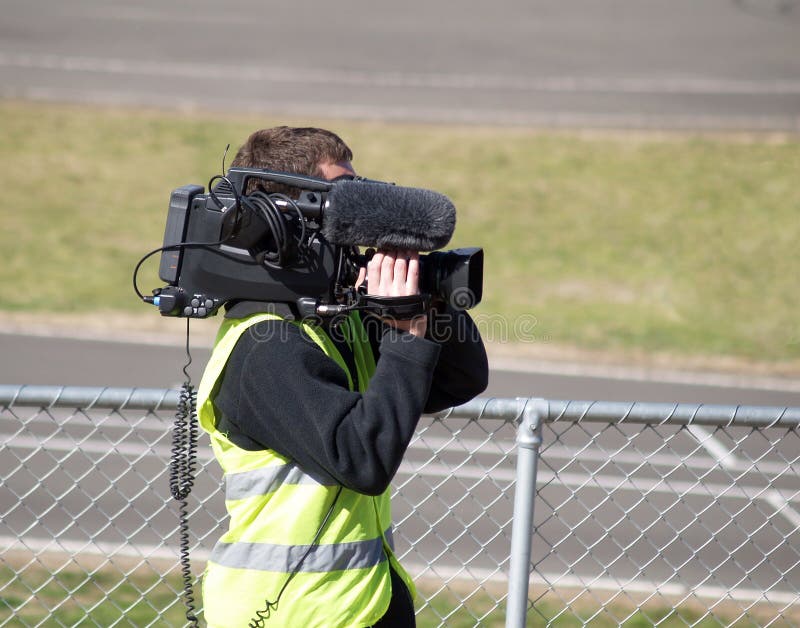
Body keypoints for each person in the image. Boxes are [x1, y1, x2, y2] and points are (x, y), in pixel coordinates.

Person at [196, 126, 488, 627]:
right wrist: (408, 335)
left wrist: (424, 299)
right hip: (289, 613)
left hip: (360, 600)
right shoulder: (266, 344)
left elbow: (458, 381)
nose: (357, 224)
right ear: (289, 222)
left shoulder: (335, 320)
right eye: (342, 205)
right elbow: (362, 458)